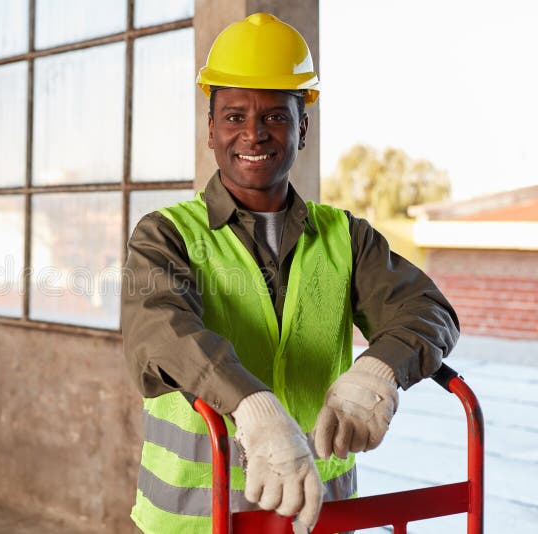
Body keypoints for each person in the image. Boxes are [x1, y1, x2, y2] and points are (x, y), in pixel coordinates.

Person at [121, 12, 460, 534]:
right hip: (195, 522)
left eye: (275, 116)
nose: (253, 133)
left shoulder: (347, 237)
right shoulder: (165, 235)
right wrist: (252, 407)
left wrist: (378, 372)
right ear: (211, 130)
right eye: (234, 116)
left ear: (303, 126)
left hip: (318, 516)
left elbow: (427, 309)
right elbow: (160, 331)